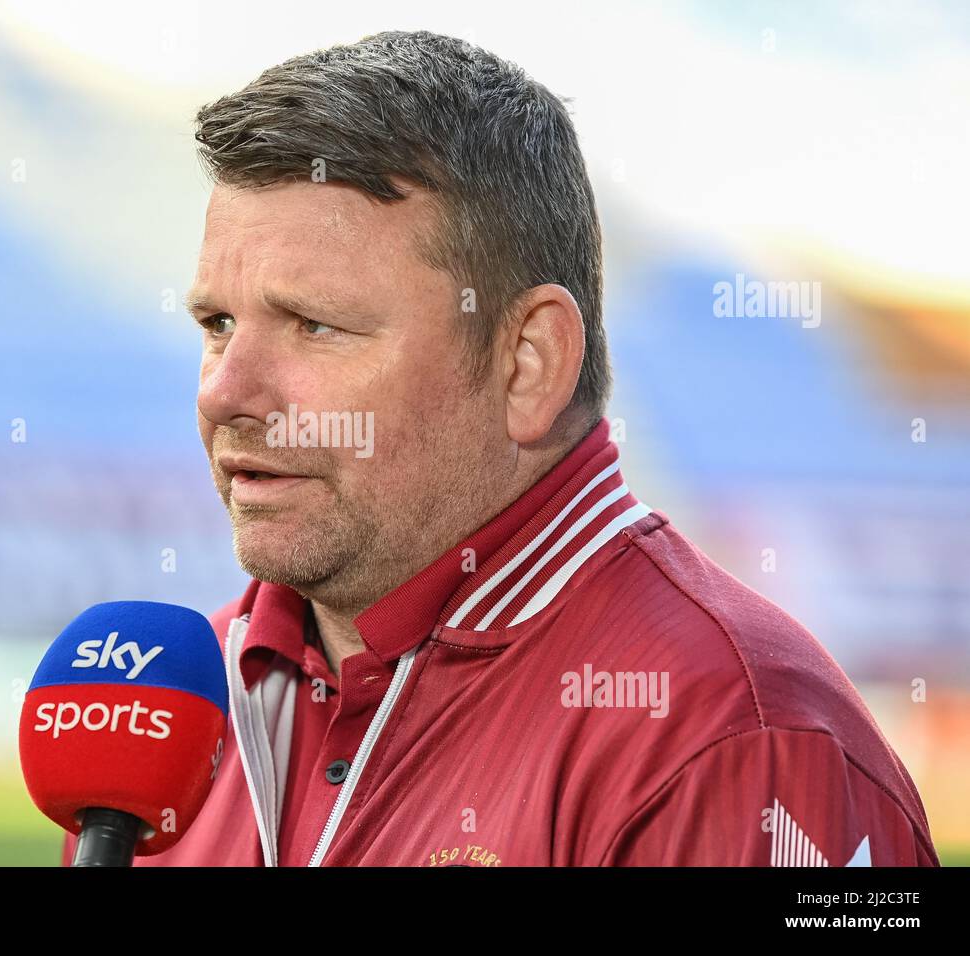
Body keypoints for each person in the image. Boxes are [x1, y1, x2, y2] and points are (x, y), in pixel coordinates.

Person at [64, 30, 937, 866]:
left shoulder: (740, 745)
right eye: (218, 324)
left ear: (528, 363)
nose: (225, 391)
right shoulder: (158, 717)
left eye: (315, 324)